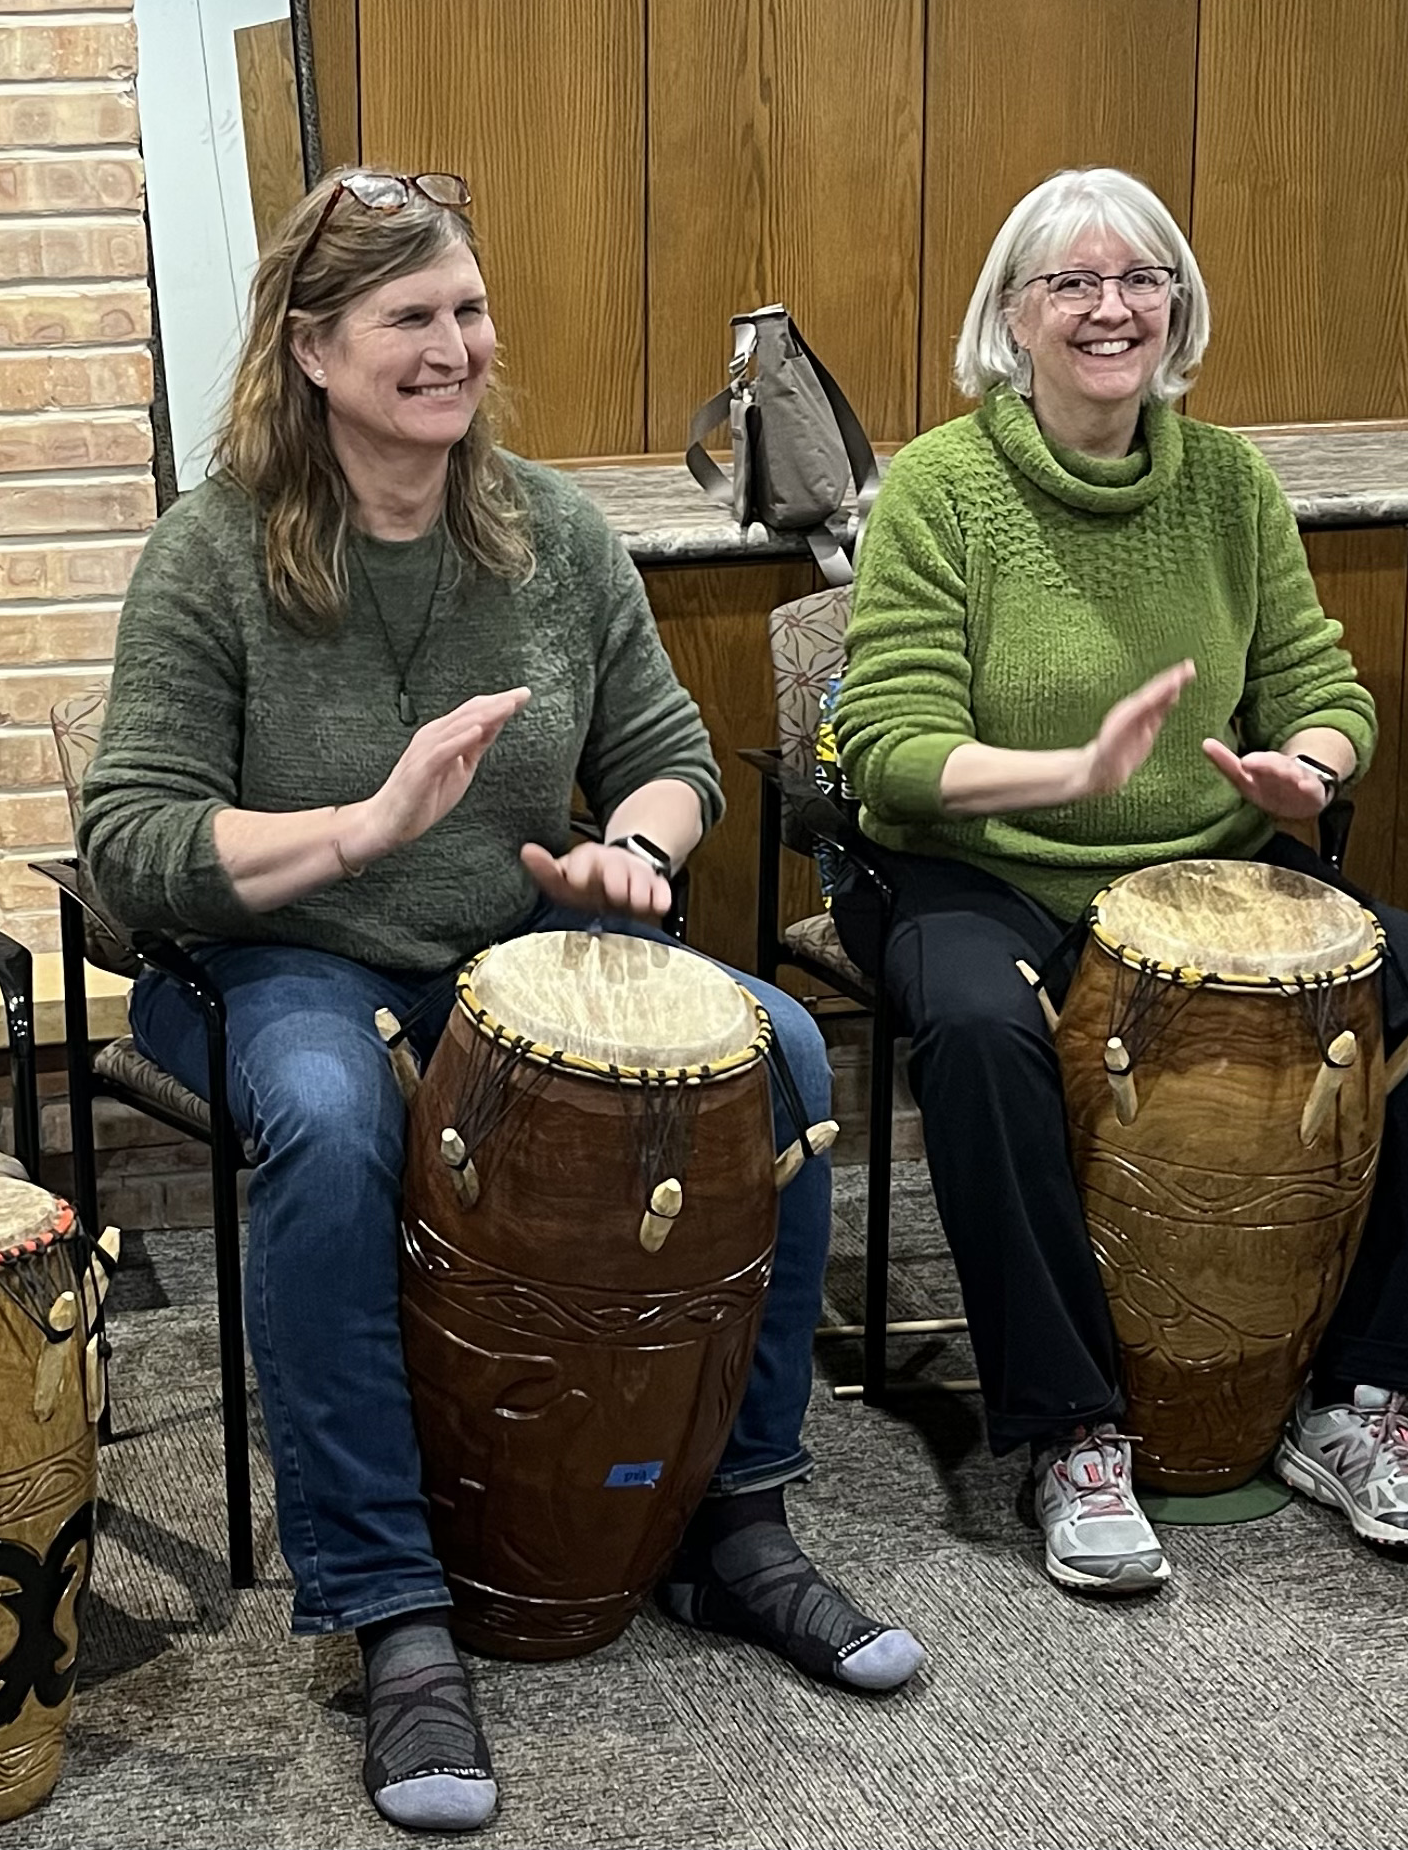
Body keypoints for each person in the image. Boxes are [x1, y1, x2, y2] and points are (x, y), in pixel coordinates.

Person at [78, 169, 922, 1835]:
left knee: (787, 1047)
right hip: (271, 960)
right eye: (414, 317)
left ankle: (734, 1522)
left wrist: (632, 847)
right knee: (326, 1120)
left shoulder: (550, 533)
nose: (458, 346)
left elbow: (674, 759)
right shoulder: (216, 549)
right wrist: (361, 827)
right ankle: (393, 1604)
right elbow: (132, 841)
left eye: (469, 310)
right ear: (312, 347)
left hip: (503, 950)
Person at [829, 167, 1408, 1597]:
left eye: (1140, 279)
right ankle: (1072, 1425)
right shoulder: (943, 488)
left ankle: (1364, 1396)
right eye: (1071, 282)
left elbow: (1322, 683)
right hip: (977, 868)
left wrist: (1306, 771)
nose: (1110, 305)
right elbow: (887, 749)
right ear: (1010, 318)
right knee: (982, 1032)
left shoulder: (1227, 479)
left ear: (1177, 309)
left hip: (1209, 862)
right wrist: (1064, 771)